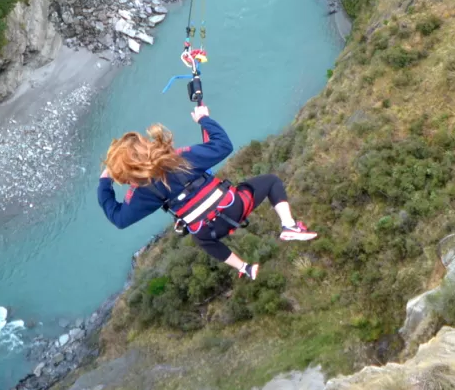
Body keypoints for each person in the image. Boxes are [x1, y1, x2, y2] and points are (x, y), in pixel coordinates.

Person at [98, 105, 316, 280]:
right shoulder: (181, 158)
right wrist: (204, 119)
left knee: (201, 239)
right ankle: (289, 225)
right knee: (271, 181)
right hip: (235, 207)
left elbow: (118, 218)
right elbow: (223, 145)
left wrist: (105, 182)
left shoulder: (141, 193)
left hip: (209, 232)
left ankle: (244, 268)